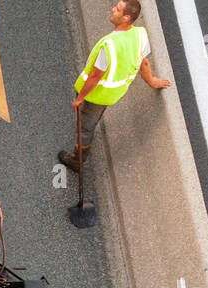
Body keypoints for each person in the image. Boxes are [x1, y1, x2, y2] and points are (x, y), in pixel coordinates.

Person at [59, 0, 171, 174]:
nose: (113, 9)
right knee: (93, 118)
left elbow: (95, 76)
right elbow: (144, 64)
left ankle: (77, 160)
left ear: (125, 17)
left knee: (85, 127)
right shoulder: (140, 35)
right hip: (112, 94)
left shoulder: (109, 44)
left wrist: (80, 98)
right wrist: (152, 82)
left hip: (94, 95)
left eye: (117, 9)